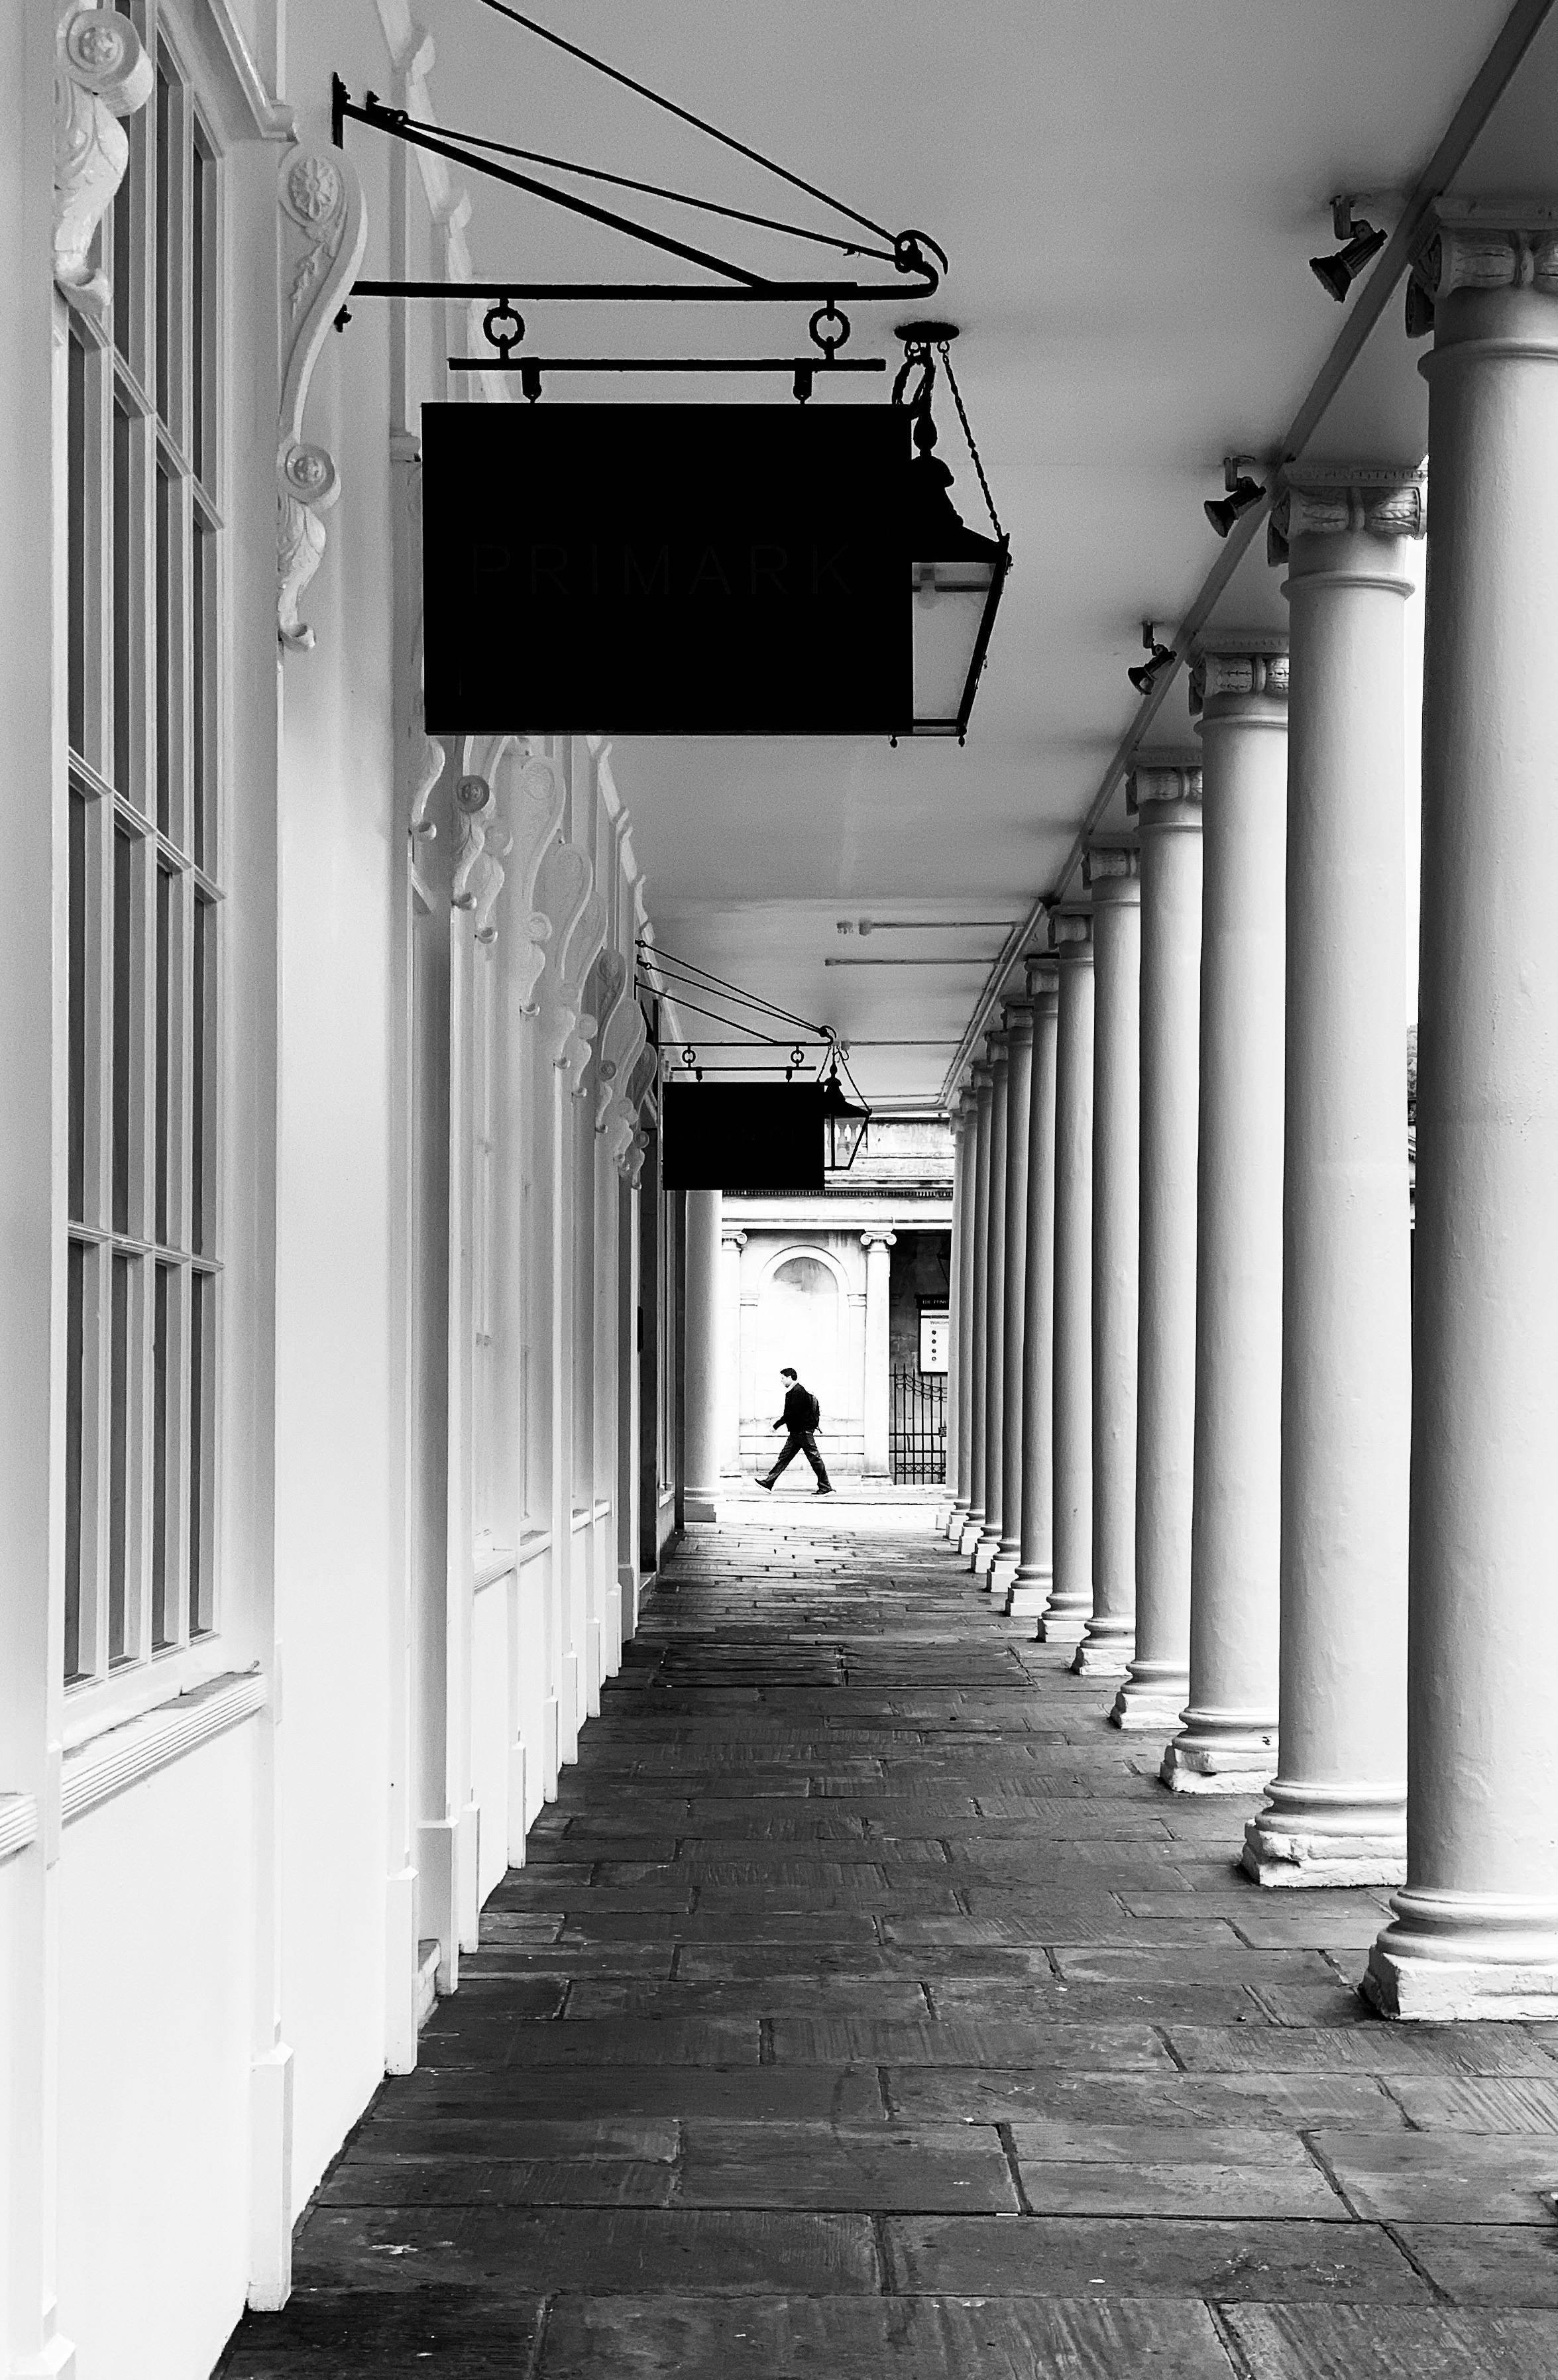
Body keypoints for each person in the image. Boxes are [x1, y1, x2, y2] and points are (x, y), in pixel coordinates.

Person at [757, 1367, 833, 1494]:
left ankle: (825, 1487)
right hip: (797, 1433)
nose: (781, 1381)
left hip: (802, 1432)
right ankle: (768, 1482)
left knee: (815, 1459)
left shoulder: (797, 1391)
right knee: (784, 1458)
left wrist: (776, 1426)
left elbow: (791, 1414)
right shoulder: (796, 1391)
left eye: (782, 1378)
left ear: (789, 1377)